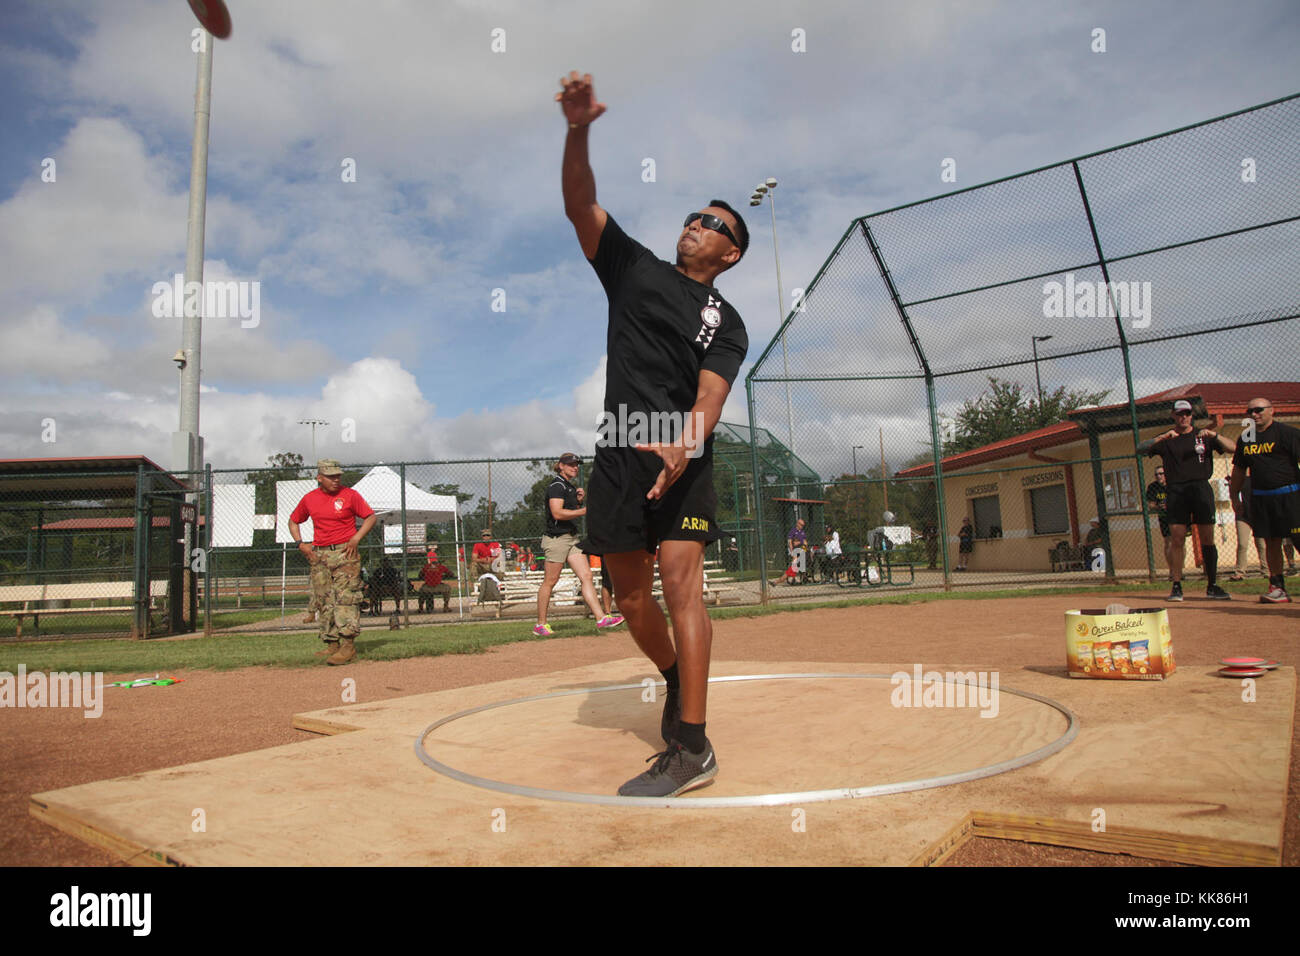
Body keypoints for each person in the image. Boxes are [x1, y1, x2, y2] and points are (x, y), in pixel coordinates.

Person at [559, 70, 749, 797]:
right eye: (695, 216)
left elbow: (711, 394)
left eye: (715, 225)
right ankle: (676, 680)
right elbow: (580, 204)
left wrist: (687, 441)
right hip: (618, 454)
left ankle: (693, 746)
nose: (696, 225)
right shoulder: (633, 268)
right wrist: (578, 129)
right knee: (631, 599)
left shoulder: (724, 319)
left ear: (730, 254)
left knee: (681, 585)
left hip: (683, 455)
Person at [1139, 399, 1234, 601]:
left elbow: (1233, 448)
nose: (1184, 417)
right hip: (1176, 491)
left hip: (1200, 488)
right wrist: (1161, 437)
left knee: (1208, 538)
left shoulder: (1204, 436)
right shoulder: (1167, 438)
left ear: (1192, 415)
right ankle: (1176, 585)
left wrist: (1214, 434)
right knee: (1177, 538)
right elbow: (1139, 449)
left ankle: (1212, 584)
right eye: (1180, 413)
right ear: (1173, 415)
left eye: (1187, 413)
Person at [287, 458, 377, 665]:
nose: (336, 480)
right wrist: (300, 543)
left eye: (338, 476)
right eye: (331, 477)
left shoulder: (350, 495)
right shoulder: (310, 499)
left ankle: (348, 646)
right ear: (320, 478)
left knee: (346, 598)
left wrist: (356, 538)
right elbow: (293, 520)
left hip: (345, 553)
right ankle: (332, 643)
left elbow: (370, 517)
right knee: (324, 600)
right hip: (319, 555)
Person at [535, 453, 621, 635]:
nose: (575, 467)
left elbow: (567, 509)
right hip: (557, 540)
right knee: (550, 581)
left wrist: (577, 500)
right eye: (570, 464)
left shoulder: (568, 486)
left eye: (576, 464)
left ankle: (601, 618)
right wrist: (583, 510)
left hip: (571, 539)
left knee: (586, 576)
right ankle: (540, 624)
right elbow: (557, 513)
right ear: (560, 466)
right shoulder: (557, 486)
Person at [1228, 398, 1300, 603]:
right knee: (1271, 542)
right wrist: (1234, 496)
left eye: (1259, 410)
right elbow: (1239, 470)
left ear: (1272, 411)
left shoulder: (1288, 434)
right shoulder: (1246, 438)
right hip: (1262, 498)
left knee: (1298, 539)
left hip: (1291, 495)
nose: (1254, 414)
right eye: (1249, 410)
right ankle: (1278, 587)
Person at [1145, 464, 1174, 575]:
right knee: (1168, 542)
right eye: (1156, 474)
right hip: (1164, 517)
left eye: (1161, 474)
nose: (1158, 476)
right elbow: (1151, 504)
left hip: (1176, 515)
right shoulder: (1153, 487)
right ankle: (1172, 570)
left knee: (1179, 542)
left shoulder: (1173, 484)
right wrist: (1159, 507)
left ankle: (1179, 569)